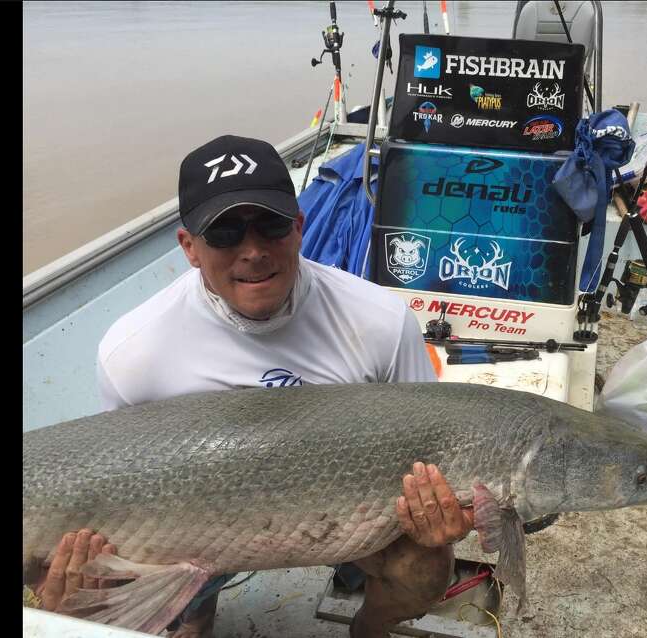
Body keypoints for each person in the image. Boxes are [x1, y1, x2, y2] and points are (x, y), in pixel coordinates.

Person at [34, 135, 466, 638]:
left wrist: (437, 515)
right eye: (225, 233)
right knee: (74, 599)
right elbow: (126, 478)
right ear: (189, 248)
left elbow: (429, 446)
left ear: (300, 226)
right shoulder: (133, 353)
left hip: (350, 523)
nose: (254, 251)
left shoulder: (381, 322)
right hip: (191, 531)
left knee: (427, 564)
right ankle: (193, 617)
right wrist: (76, 585)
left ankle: (370, 626)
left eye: (272, 224)